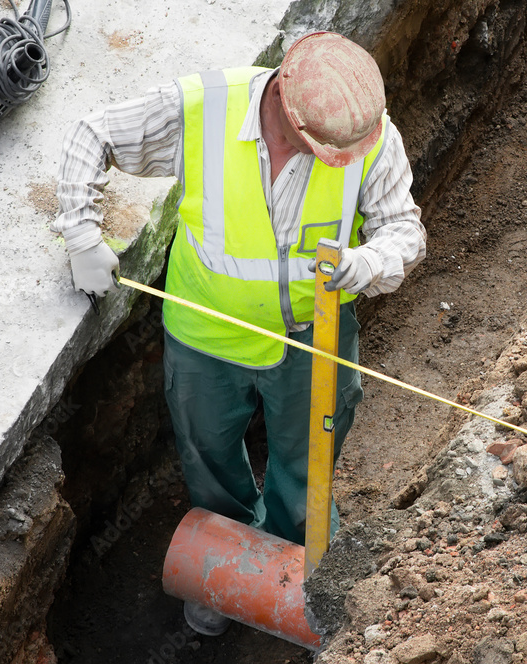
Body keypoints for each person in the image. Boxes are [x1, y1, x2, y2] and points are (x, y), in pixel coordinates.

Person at [52, 31, 426, 635]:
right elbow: (91, 134)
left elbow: (405, 232)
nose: (333, 161)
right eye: (320, 148)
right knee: (209, 459)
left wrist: (369, 262)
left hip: (311, 334)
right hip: (206, 334)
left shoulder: (367, 133)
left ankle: (298, 577)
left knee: (307, 470)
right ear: (281, 99)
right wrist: (80, 234)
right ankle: (221, 566)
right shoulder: (206, 108)